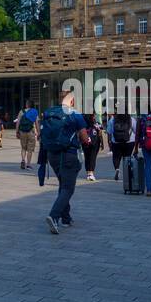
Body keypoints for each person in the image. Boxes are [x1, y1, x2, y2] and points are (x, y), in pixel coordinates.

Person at [41, 89, 90, 234]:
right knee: (68, 188)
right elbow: (83, 137)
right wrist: (87, 140)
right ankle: (54, 216)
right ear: (72, 100)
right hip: (68, 155)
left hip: (52, 154)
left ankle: (66, 217)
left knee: (63, 185)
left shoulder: (50, 112)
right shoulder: (75, 114)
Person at [109, 109, 135, 181]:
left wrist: (110, 142)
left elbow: (109, 131)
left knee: (116, 157)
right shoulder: (131, 119)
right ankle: (128, 173)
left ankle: (117, 169)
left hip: (116, 142)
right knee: (127, 158)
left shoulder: (113, 120)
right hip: (129, 142)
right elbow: (135, 130)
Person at [16, 101, 38, 170]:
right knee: (30, 150)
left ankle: (23, 160)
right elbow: (36, 123)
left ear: (27, 105)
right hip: (30, 132)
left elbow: (18, 122)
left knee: (23, 148)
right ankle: (28, 164)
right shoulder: (34, 112)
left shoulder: (21, 111)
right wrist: (38, 132)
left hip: (22, 132)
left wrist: (17, 131)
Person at [82, 112, 101, 181]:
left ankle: (88, 173)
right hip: (94, 142)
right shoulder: (95, 123)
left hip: (85, 141)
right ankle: (91, 173)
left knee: (87, 157)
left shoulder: (83, 123)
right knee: (92, 157)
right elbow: (99, 131)